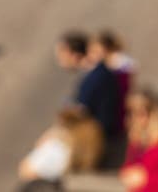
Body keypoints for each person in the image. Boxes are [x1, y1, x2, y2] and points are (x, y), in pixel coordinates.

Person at [19, 32, 120, 183]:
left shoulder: (91, 82)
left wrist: (54, 135)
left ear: (73, 54)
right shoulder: (99, 72)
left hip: (90, 142)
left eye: (62, 57)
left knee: (28, 168)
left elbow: (79, 118)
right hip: (92, 136)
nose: (60, 62)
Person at [88, 30, 136, 135]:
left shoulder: (117, 62)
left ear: (104, 48)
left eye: (95, 51)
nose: (93, 55)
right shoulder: (107, 66)